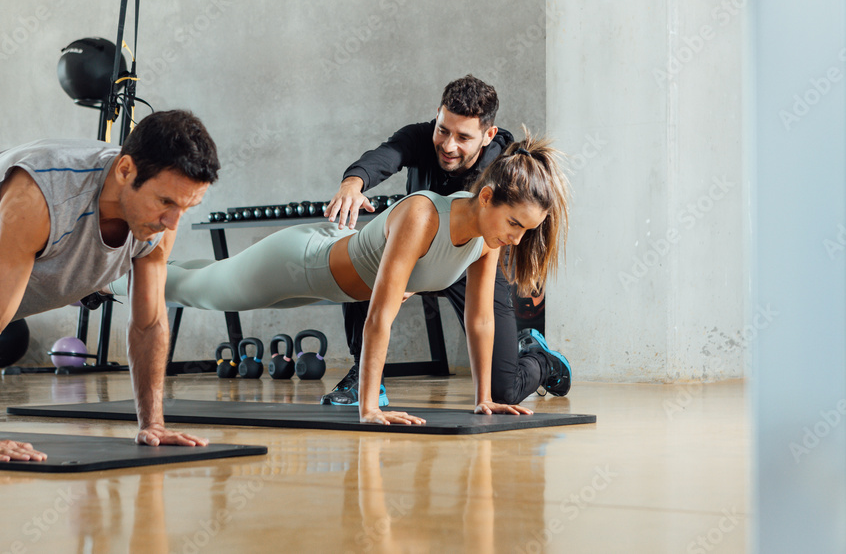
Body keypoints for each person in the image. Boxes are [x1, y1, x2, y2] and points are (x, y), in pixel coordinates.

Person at [110, 132, 570, 425]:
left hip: (329, 279)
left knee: (202, 276)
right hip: (301, 263)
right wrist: (370, 407)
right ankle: (105, 277)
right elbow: (379, 317)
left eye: (526, 231)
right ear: (487, 197)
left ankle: (119, 274)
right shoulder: (424, 215)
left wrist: (484, 398)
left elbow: (480, 320)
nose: (516, 238)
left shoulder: (488, 240)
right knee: (198, 289)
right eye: (515, 224)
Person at [0, 110, 220, 461]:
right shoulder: (39, 197)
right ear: (125, 170)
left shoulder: (158, 225)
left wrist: (154, 424)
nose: (172, 221)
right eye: (166, 202)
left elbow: (148, 323)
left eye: (187, 207)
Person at [322, 75, 569, 407]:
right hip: (419, 253)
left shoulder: (502, 165)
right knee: (360, 265)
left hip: (475, 263)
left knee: (504, 392)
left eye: (464, 137)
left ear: (488, 135)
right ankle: (366, 378)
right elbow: (385, 156)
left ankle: (540, 358)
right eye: (444, 130)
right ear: (437, 114)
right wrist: (353, 183)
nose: (449, 145)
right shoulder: (421, 137)